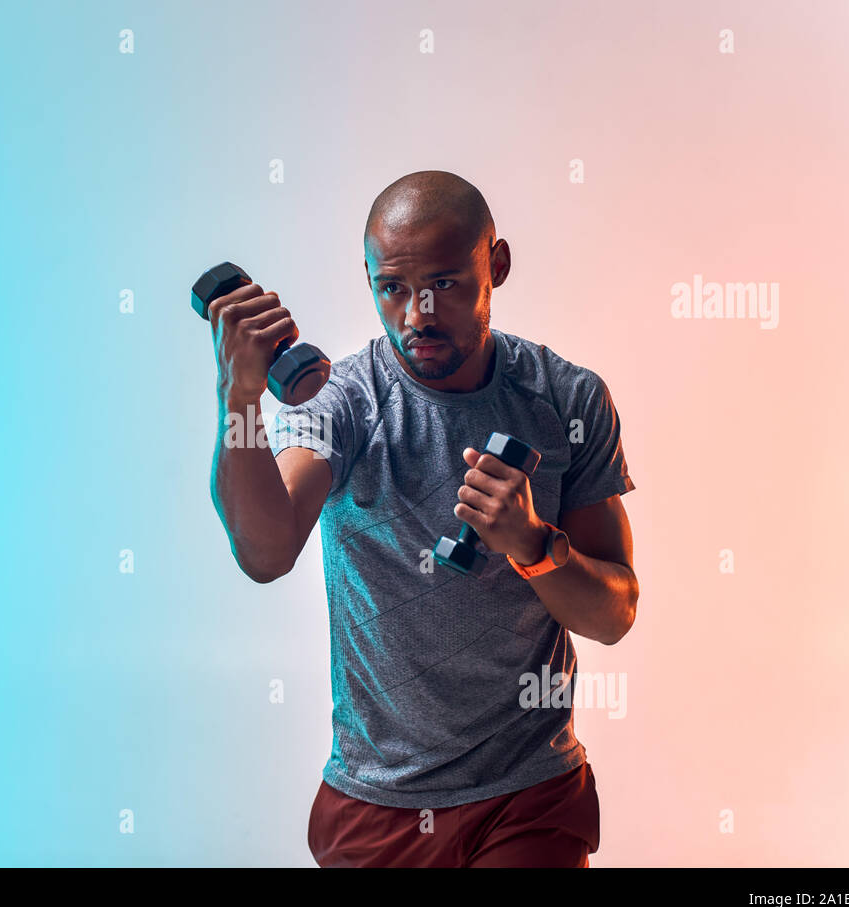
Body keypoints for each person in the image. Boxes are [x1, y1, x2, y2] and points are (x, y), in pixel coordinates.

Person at [207, 170, 638, 867]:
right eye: (394, 288)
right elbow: (267, 549)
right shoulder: (343, 401)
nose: (419, 314)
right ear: (370, 279)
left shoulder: (567, 398)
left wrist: (533, 544)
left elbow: (613, 614)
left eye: (445, 283)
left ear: (495, 265)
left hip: (526, 789)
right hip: (378, 798)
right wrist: (241, 401)